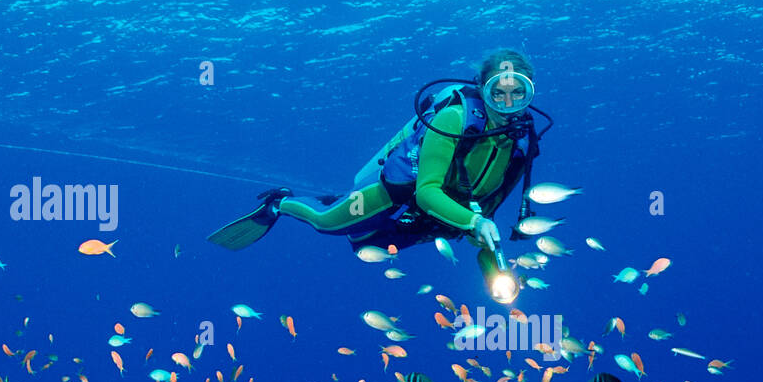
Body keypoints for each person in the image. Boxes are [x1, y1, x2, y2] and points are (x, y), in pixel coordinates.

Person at [209, 49, 551, 303]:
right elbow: (427, 191)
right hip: (396, 194)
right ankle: (279, 203)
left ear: (529, 91)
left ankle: (338, 206)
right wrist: (475, 224)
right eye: (497, 92)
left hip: (443, 217)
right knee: (327, 223)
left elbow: (487, 203)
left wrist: (492, 257)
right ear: (482, 87)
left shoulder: (521, 142)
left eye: (517, 92)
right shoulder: (454, 120)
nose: (507, 103)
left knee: (361, 246)